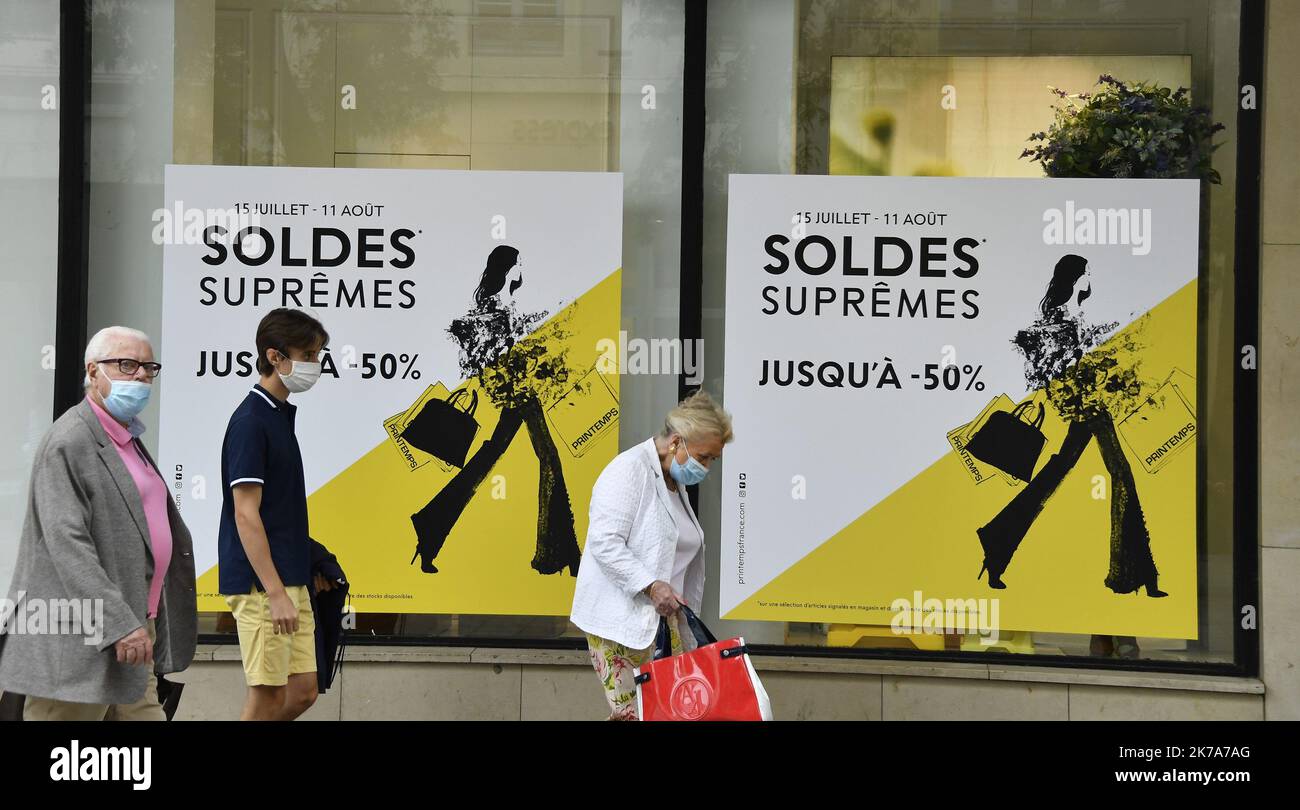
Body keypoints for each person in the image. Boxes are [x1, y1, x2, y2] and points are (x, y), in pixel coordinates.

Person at [0, 326, 197, 720]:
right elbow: (66, 542)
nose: (140, 375)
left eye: (148, 367)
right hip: (82, 633)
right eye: (126, 365)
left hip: (135, 623)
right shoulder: (70, 440)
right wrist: (117, 625)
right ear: (93, 372)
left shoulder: (125, 438)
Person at [976, 254, 1167, 597]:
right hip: (1086, 404)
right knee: (1121, 475)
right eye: (1087, 273)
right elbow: (1057, 359)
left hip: (1090, 401)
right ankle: (1136, 575)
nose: (1091, 277)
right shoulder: (1059, 314)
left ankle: (997, 544)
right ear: (1075, 277)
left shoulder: (1078, 308)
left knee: (1058, 472)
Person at [411, 245, 581, 576]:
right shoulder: (494, 306)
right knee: (547, 458)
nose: (522, 270)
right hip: (516, 391)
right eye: (519, 264)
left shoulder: (508, 302)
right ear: (507, 268)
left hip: (521, 389)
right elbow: (486, 352)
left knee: (493, 456)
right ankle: (558, 552)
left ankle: (430, 529)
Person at [570, 390, 733, 720]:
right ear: (676, 442)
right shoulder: (629, 470)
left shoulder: (673, 482)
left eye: (713, 459)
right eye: (703, 457)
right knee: (636, 716)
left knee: (668, 715)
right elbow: (604, 542)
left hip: (661, 624)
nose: (707, 467)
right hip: (619, 624)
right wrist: (650, 585)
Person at [219, 308, 335, 720]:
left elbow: (280, 511)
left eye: (318, 354)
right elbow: (246, 514)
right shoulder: (251, 421)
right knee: (266, 696)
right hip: (262, 586)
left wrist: (307, 567)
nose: (314, 365)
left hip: (290, 577)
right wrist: (275, 592)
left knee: (303, 691)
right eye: (307, 353)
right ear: (274, 357)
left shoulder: (279, 417)